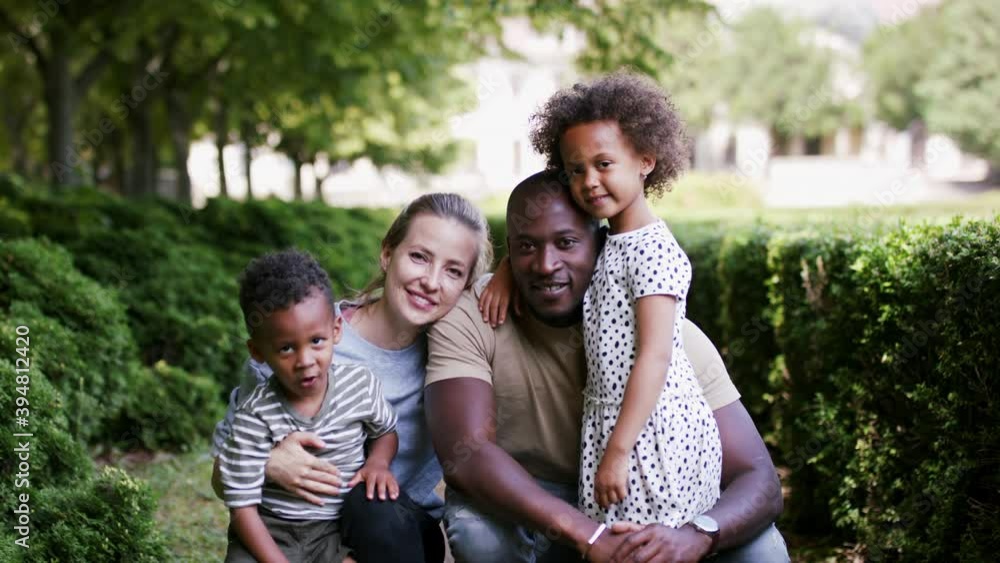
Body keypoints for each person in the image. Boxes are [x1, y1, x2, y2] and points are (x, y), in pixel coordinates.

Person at [425, 170, 788, 562]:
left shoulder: (665, 337)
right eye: (527, 247)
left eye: (566, 243)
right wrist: (590, 535)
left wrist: (698, 535)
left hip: (647, 503)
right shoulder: (474, 317)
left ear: (600, 246)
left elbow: (759, 479)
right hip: (530, 501)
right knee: (479, 533)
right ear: (509, 252)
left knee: (762, 549)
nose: (546, 264)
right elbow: (467, 455)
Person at [483, 72, 722, 530]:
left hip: (650, 435)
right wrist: (507, 268)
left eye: (604, 164)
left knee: (644, 541)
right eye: (576, 170)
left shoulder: (653, 251)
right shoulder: (614, 238)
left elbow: (654, 356)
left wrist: (618, 449)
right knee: (615, 540)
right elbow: (554, 242)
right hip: (613, 423)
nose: (589, 181)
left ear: (647, 161)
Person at [212, 193, 493, 562]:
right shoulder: (301, 339)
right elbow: (222, 473)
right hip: (294, 529)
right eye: (419, 257)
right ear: (388, 253)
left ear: (466, 285)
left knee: (369, 503)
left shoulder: (454, 357)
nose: (431, 281)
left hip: (394, 530)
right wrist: (268, 462)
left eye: (453, 271)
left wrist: (500, 279)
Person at [220, 249, 398, 563]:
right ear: (258, 352)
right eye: (286, 348)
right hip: (268, 530)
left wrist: (379, 463)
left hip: (331, 530)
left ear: (336, 330)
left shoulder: (360, 386)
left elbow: (386, 430)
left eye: (316, 341)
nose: (305, 361)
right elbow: (242, 509)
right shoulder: (255, 413)